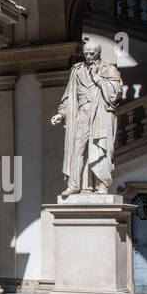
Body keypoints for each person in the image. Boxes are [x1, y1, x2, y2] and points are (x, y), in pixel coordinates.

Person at [50, 39, 124, 198]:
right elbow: (69, 96)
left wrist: (97, 79)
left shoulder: (109, 70)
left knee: (100, 148)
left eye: (92, 54)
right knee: (77, 149)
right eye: (86, 54)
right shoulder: (77, 71)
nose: (89, 57)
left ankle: (101, 183)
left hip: (100, 115)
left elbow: (115, 94)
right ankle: (73, 184)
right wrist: (61, 114)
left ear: (99, 53)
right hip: (81, 114)